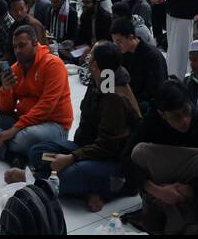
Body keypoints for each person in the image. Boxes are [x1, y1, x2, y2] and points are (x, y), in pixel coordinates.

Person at [13, 41, 142, 212]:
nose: (87, 59)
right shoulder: (102, 80)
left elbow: (107, 147)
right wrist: (72, 154)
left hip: (112, 161)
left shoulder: (114, 97)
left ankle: (39, 179)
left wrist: (72, 158)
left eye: (91, 56)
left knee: (69, 174)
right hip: (88, 150)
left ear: (95, 64)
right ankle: (87, 188)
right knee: (39, 153)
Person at [126, 80, 198, 235]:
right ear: (162, 115)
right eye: (176, 117)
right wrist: (156, 190)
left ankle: (174, 213)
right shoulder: (152, 121)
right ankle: (177, 215)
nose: (184, 121)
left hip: (194, 189)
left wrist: (187, 190)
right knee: (139, 152)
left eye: (186, 111)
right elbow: (126, 159)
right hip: (160, 188)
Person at [0, 24, 73, 162]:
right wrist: (6, 89)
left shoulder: (53, 65)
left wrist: (13, 130)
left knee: (26, 137)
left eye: (22, 45)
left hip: (53, 124)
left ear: (35, 44)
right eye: (15, 47)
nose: (17, 50)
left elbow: (46, 106)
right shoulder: (14, 69)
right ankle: (9, 155)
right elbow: (5, 110)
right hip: (22, 120)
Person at [110, 15, 169, 114]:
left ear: (131, 37)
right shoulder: (123, 53)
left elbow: (156, 91)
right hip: (129, 99)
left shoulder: (152, 56)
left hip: (149, 105)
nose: (116, 45)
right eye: (115, 42)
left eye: (119, 41)